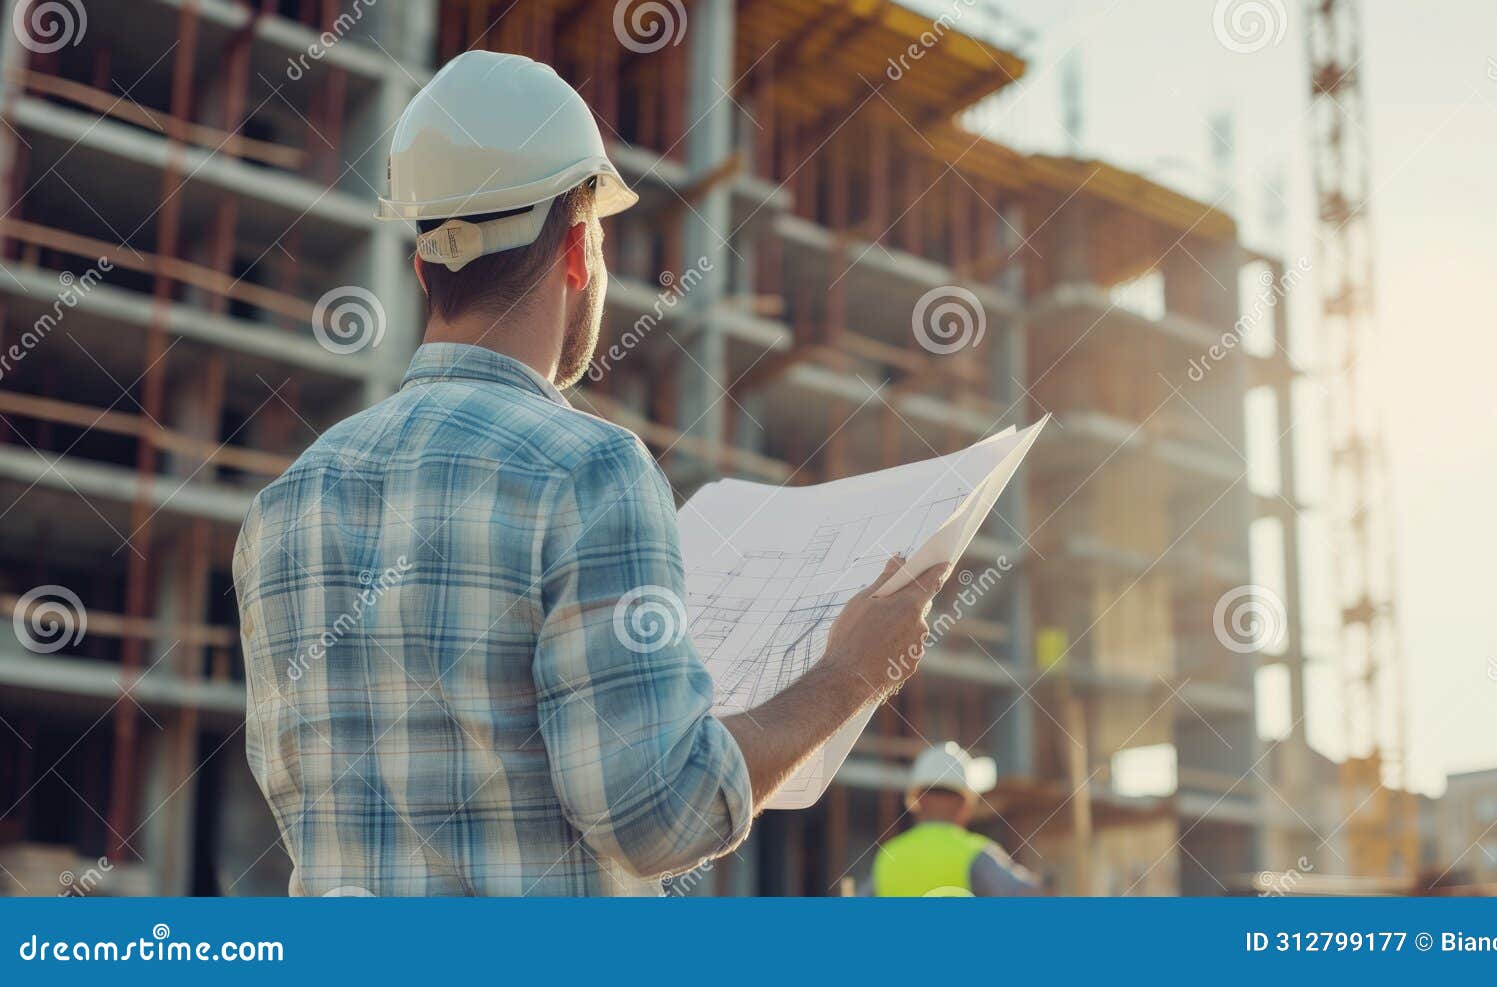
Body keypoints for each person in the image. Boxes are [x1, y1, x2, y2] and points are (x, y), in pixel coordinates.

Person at [231, 51, 947, 896]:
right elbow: (659, 813)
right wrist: (848, 675)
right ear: (579, 251)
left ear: (425, 268)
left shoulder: (284, 507)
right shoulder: (588, 471)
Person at [865, 742, 1046, 897]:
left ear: (916, 802)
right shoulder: (976, 853)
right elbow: (1026, 896)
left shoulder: (888, 856)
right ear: (965, 806)